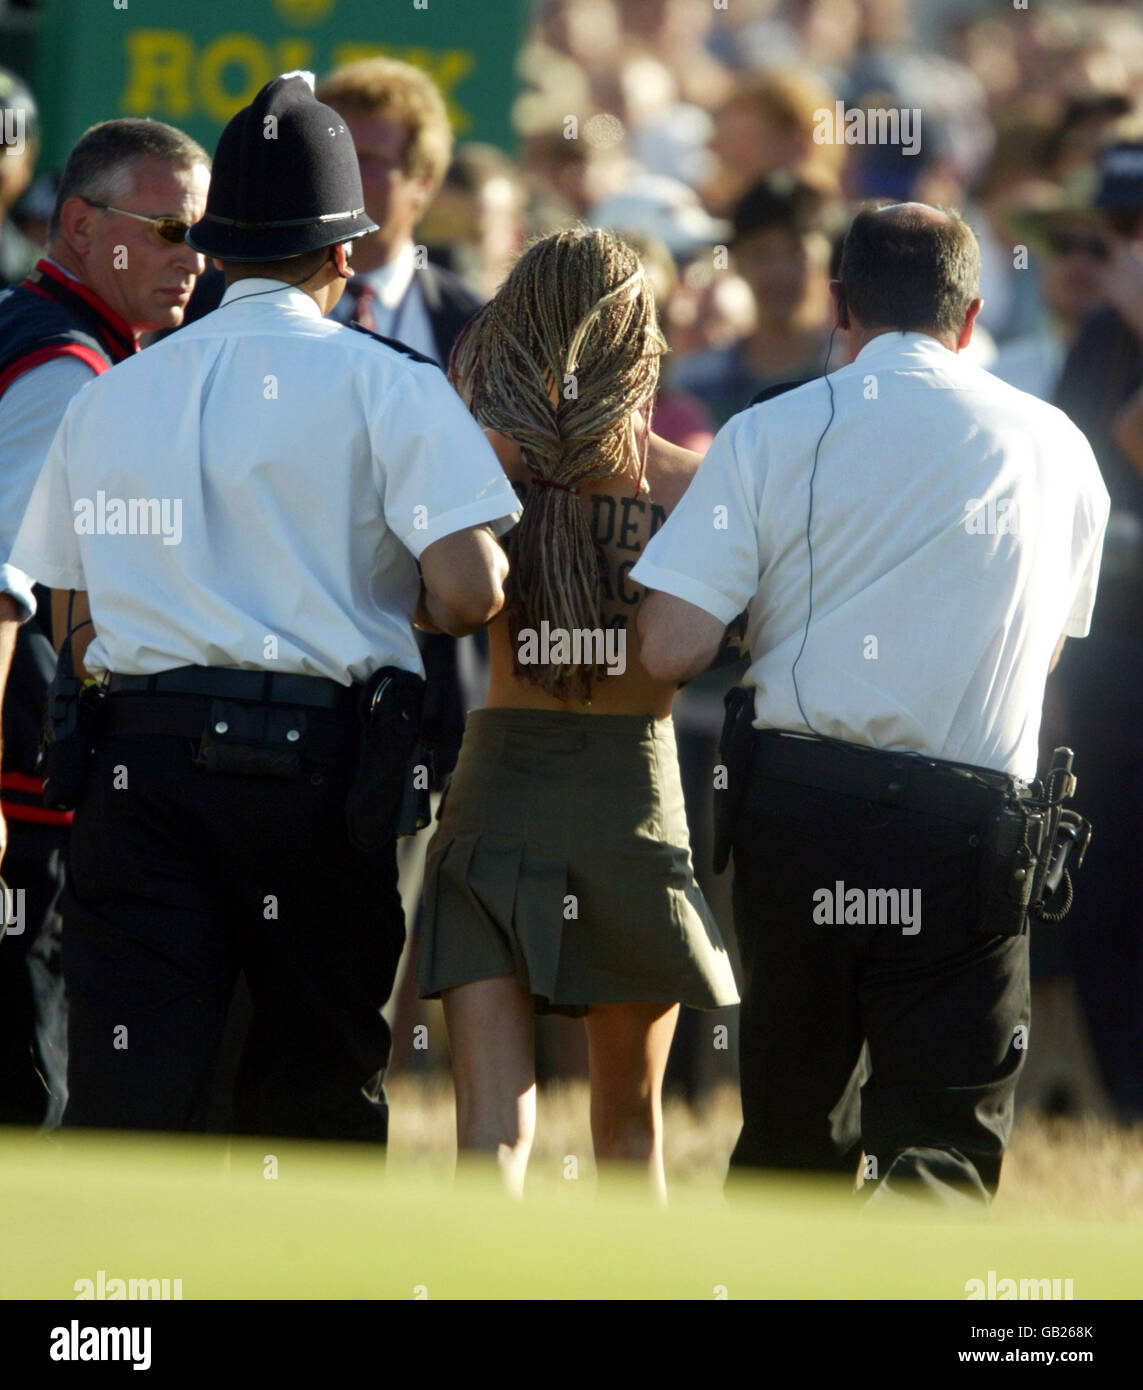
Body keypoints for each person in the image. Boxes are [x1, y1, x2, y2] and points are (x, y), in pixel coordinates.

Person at [9, 73, 520, 1141]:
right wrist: (362, 595)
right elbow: (473, 590)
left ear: (221, 245)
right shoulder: (390, 382)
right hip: (319, 777)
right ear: (343, 252)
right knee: (313, 1093)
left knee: (134, 1089)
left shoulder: (110, 389)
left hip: (139, 769)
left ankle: (118, 1304)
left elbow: (71, 617)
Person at [634, 203, 1109, 1207]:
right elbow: (1047, 641)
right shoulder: (1061, 447)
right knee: (939, 1149)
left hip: (803, 811)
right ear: (971, 315)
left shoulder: (769, 429)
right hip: (974, 825)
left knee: (793, 1131)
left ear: (837, 304)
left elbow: (669, 646)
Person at [415, 228, 739, 1199]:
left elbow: (432, 599)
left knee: (486, 1134)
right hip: (633, 802)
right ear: (641, 337)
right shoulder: (689, 484)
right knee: (630, 1133)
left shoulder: (479, 468)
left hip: (496, 791)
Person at [0, 116, 211, 1125]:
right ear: (80, 227)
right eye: (165, 229)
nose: (192, 257)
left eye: (199, 232)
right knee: (27, 1102)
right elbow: (2, 591)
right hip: (17, 812)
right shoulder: (69, 373)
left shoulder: (37, 334)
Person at [1052, 141, 1143, 1120]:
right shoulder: (1093, 343)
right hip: (1110, 648)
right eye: (1112, 231)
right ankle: (1129, 1110)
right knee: (1106, 886)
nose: (1121, 250)